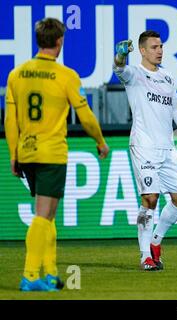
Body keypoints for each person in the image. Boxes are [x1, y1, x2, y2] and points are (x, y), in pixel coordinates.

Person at [5, 18, 109, 291]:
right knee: (43, 214)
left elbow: (10, 119)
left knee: (48, 215)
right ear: (60, 41)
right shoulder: (66, 76)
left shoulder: (17, 73)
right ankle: (30, 275)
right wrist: (100, 141)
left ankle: (50, 274)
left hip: (26, 152)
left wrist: (13, 154)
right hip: (51, 152)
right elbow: (85, 115)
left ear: (38, 40)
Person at [113, 31, 177, 271]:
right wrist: (120, 54)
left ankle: (155, 242)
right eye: (154, 47)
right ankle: (145, 256)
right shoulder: (135, 74)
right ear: (142, 51)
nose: (160, 50)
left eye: (161, 46)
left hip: (168, 149)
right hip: (143, 147)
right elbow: (119, 68)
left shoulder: (167, 77)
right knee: (150, 199)